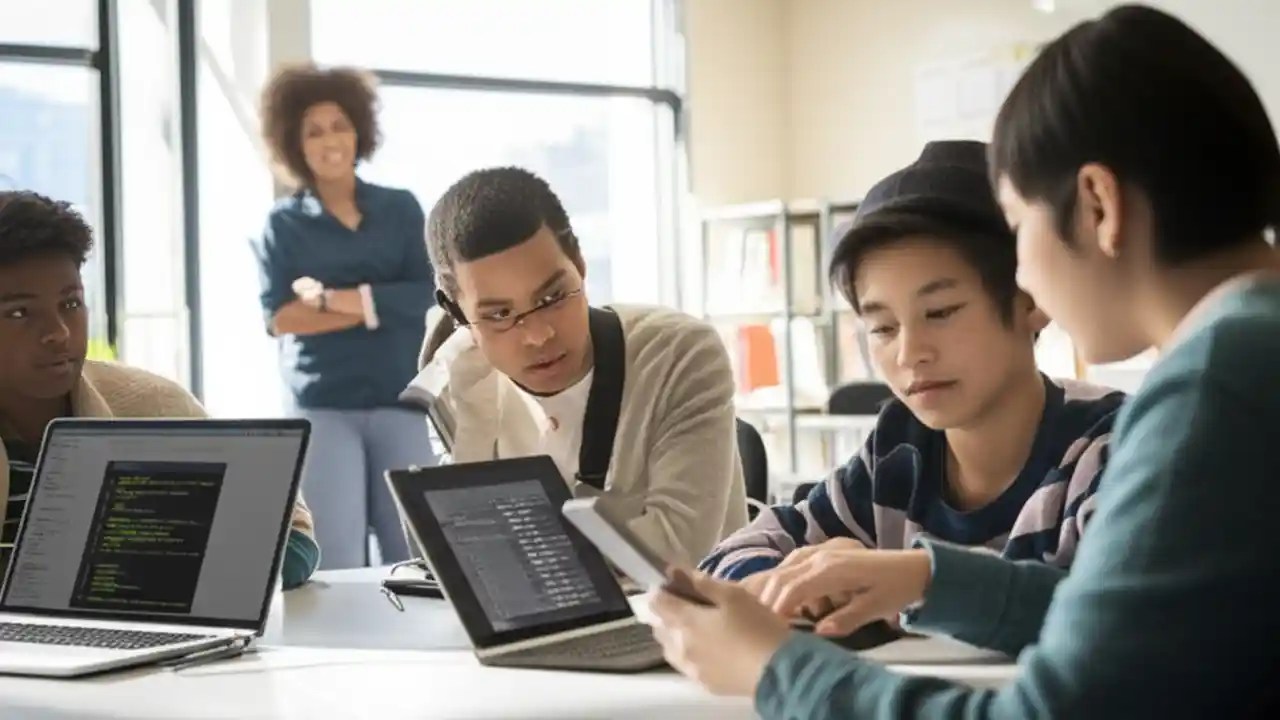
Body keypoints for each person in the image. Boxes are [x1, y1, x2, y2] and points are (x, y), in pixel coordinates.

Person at [648, 5, 1280, 717]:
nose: (1029, 276)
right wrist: (929, 580)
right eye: (880, 326)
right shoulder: (1248, 352)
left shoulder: (1213, 388)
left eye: (1018, 226)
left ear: (1097, 205)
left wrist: (773, 667)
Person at [700, 140, 1124, 594]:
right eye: (882, 328)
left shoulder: (1109, 448)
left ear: (1032, 299)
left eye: (940, 313)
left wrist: (916, 585)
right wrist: (784, 588)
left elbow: (1111, 611)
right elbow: (731, 552)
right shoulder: (898, 452)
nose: (909, 354)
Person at [406, 166, 746, 566]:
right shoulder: (452, 382)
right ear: (455, 310)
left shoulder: (679, 353)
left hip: (683, 621)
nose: (537, 335)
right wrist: (474, 428)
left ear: (580, 262)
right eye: (499, 314)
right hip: (533, 627)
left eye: (552, 297)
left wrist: (511, 560)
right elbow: (453, 556)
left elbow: (676, 549)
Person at [0, 191, 319, 588]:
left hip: (130, 634)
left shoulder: (151, 406)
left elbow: (293, 541)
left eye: (70, 304)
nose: (58, 333)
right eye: (19, 313)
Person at [251, 64, 435, 569]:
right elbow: (282, 318)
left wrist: (329, 300)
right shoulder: (283, 223)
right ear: (295, 143)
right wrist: (378, 305)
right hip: (323, 405)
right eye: (314, 131)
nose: (330, 139)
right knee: (334, 558)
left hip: (402, 400)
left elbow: (427, 297)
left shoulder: (401, 209)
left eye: (339, 125)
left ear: (359, 130)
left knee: (421, 553)